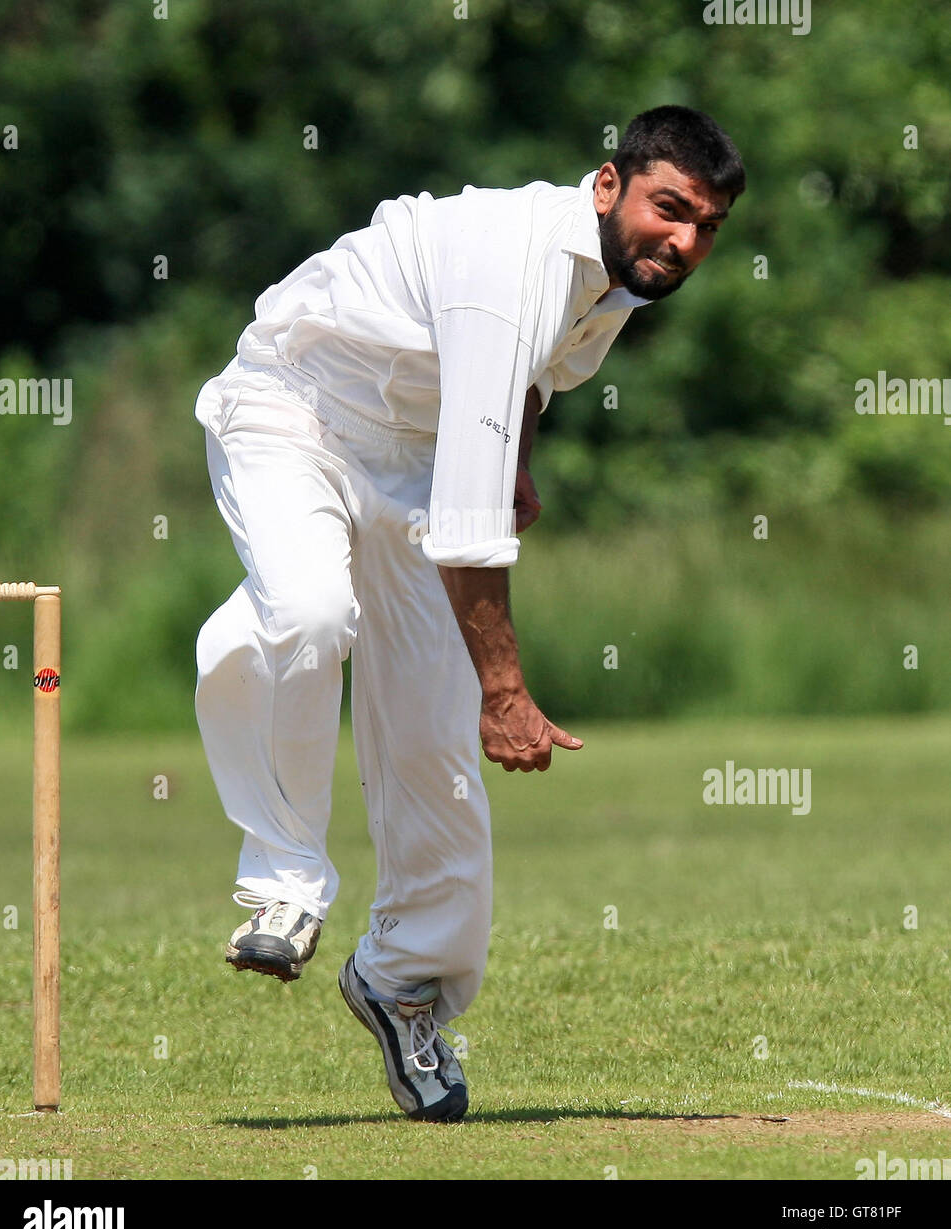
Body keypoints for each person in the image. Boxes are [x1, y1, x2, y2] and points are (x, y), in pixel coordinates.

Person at [194, 105, 745, 1122]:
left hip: (406, 456)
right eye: (672, 210)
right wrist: (506, 690)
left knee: (433, 749)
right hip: (294, 407)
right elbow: (466, 519)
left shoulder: (614, 281)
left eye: (708, 227)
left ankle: (403, 981)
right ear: (610, 184)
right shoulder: (517, 265)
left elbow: (527, 383)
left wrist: (519, 463)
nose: (686, 241)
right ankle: (284, 880)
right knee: (313, 614)